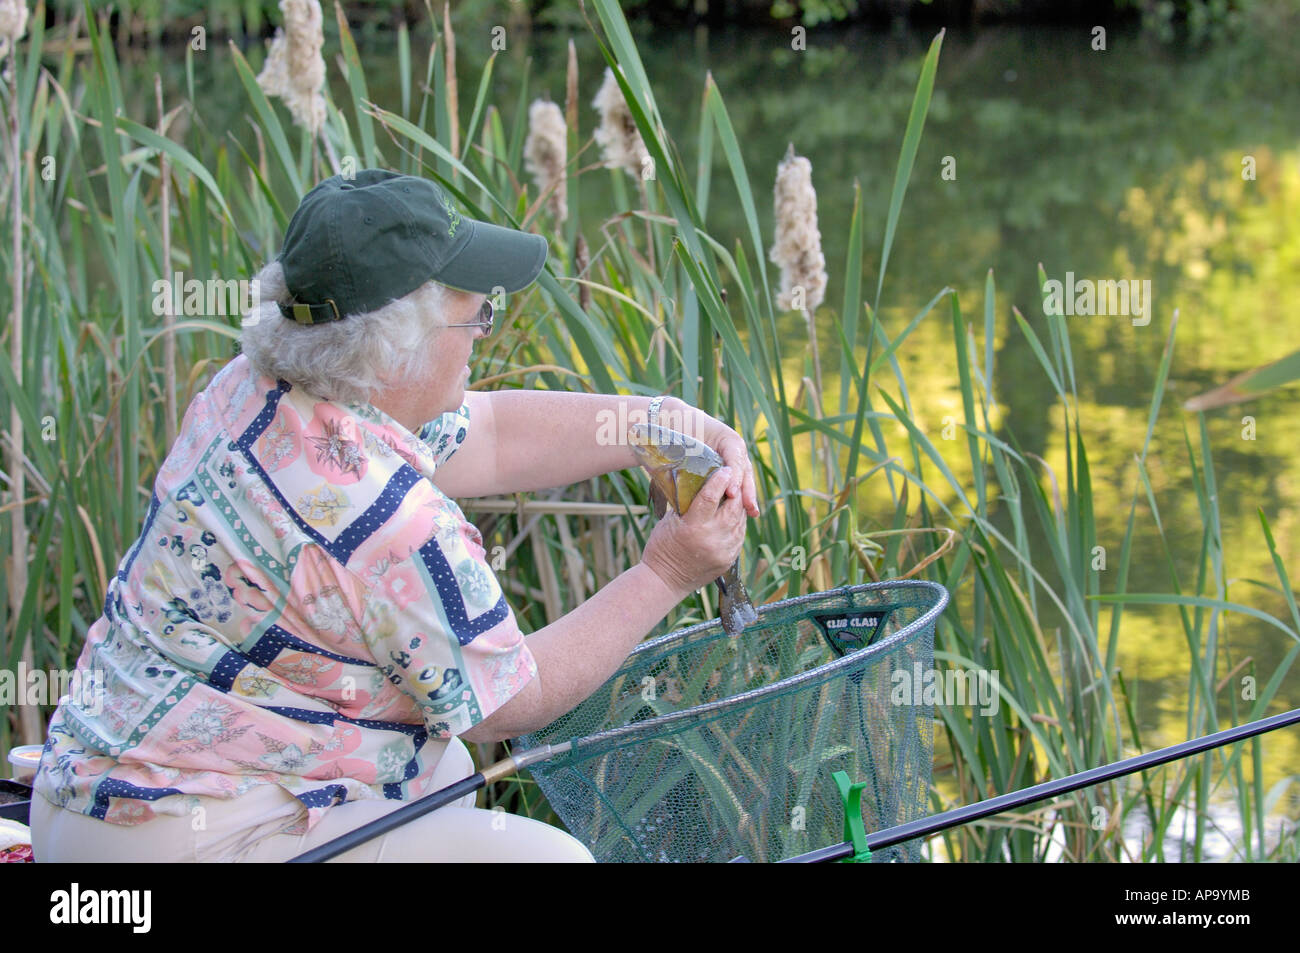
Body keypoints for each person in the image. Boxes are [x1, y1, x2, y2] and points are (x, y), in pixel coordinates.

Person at [29, 169, 756, 862]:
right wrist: (668, 571)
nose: (484, 333)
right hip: (185, 837)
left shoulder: (256, 390)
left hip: (88, 791)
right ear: (397, 349)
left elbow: (493, 436)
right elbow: (510, 699)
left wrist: (658, 425)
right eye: (474, 317)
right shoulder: (382, 520)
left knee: (440, 775)